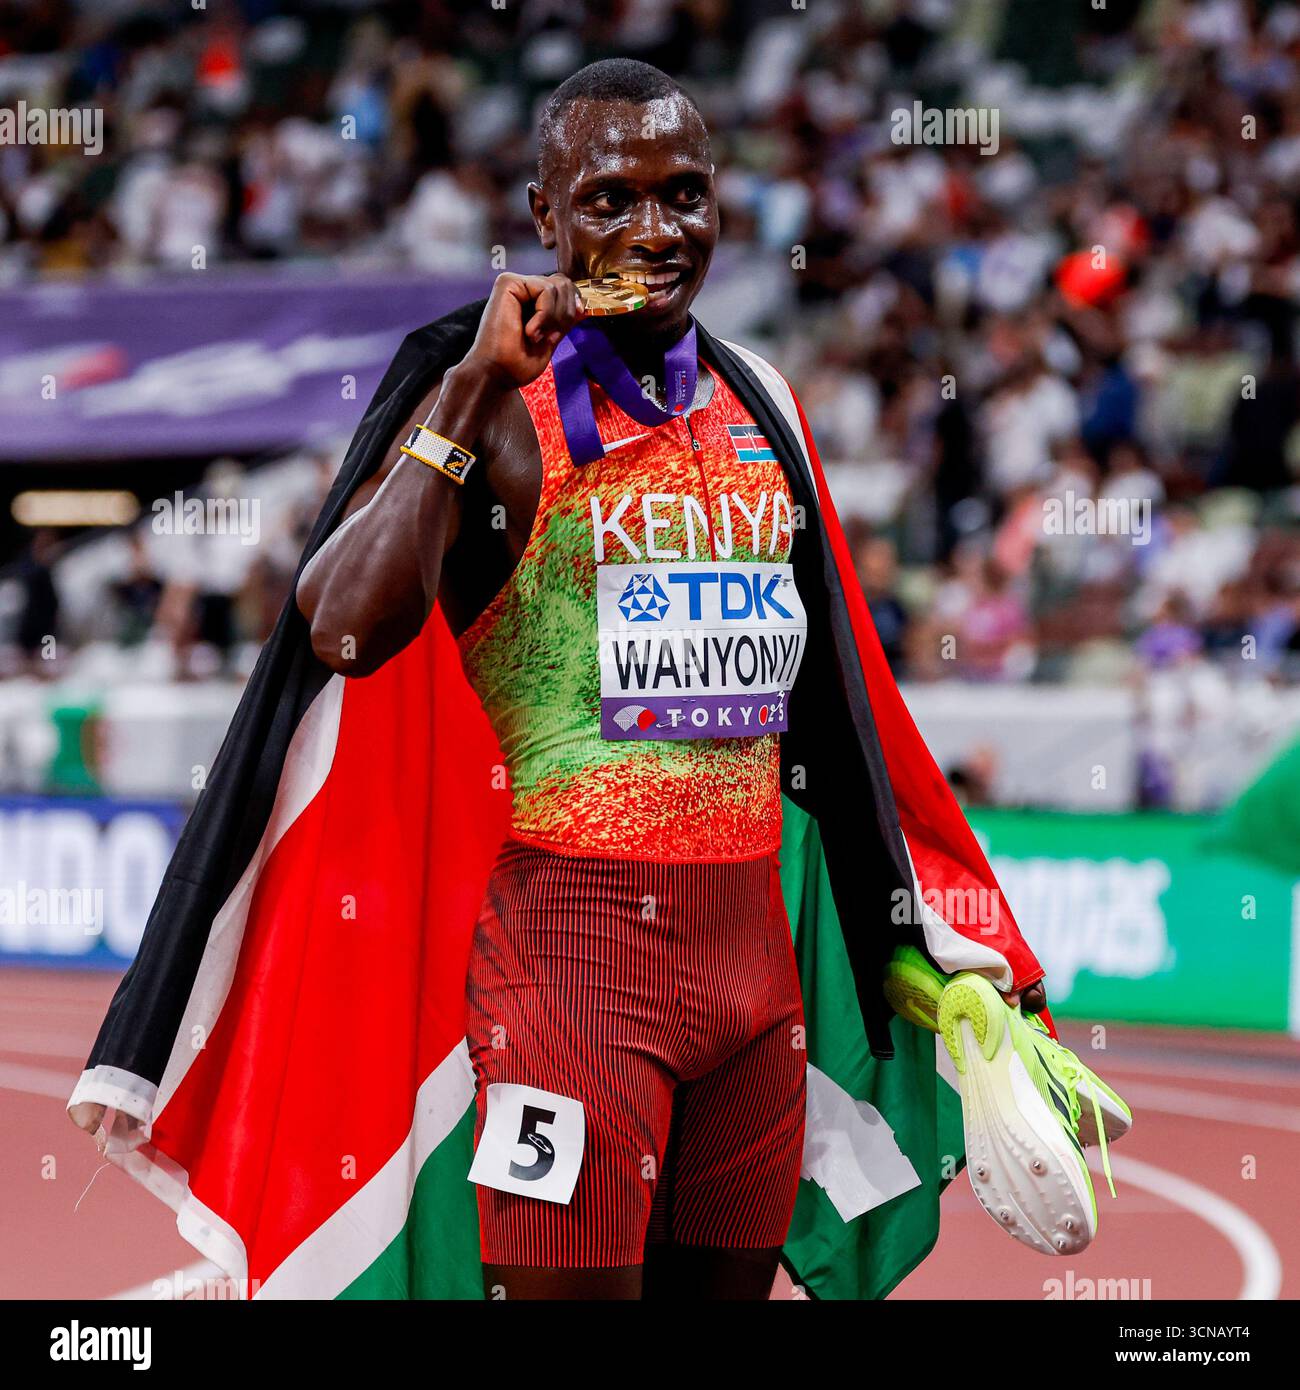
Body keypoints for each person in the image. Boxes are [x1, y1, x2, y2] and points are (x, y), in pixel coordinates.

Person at [70, 60, 1053, 1304]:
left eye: (685, 195)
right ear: (544, 216)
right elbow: (347, 633)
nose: (655, 232)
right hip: (570, 981)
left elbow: (842, 718)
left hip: (756, 995)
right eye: (609, 201)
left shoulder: (766, 402)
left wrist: (918, 929)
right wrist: (470, 381)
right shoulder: (489, 408)